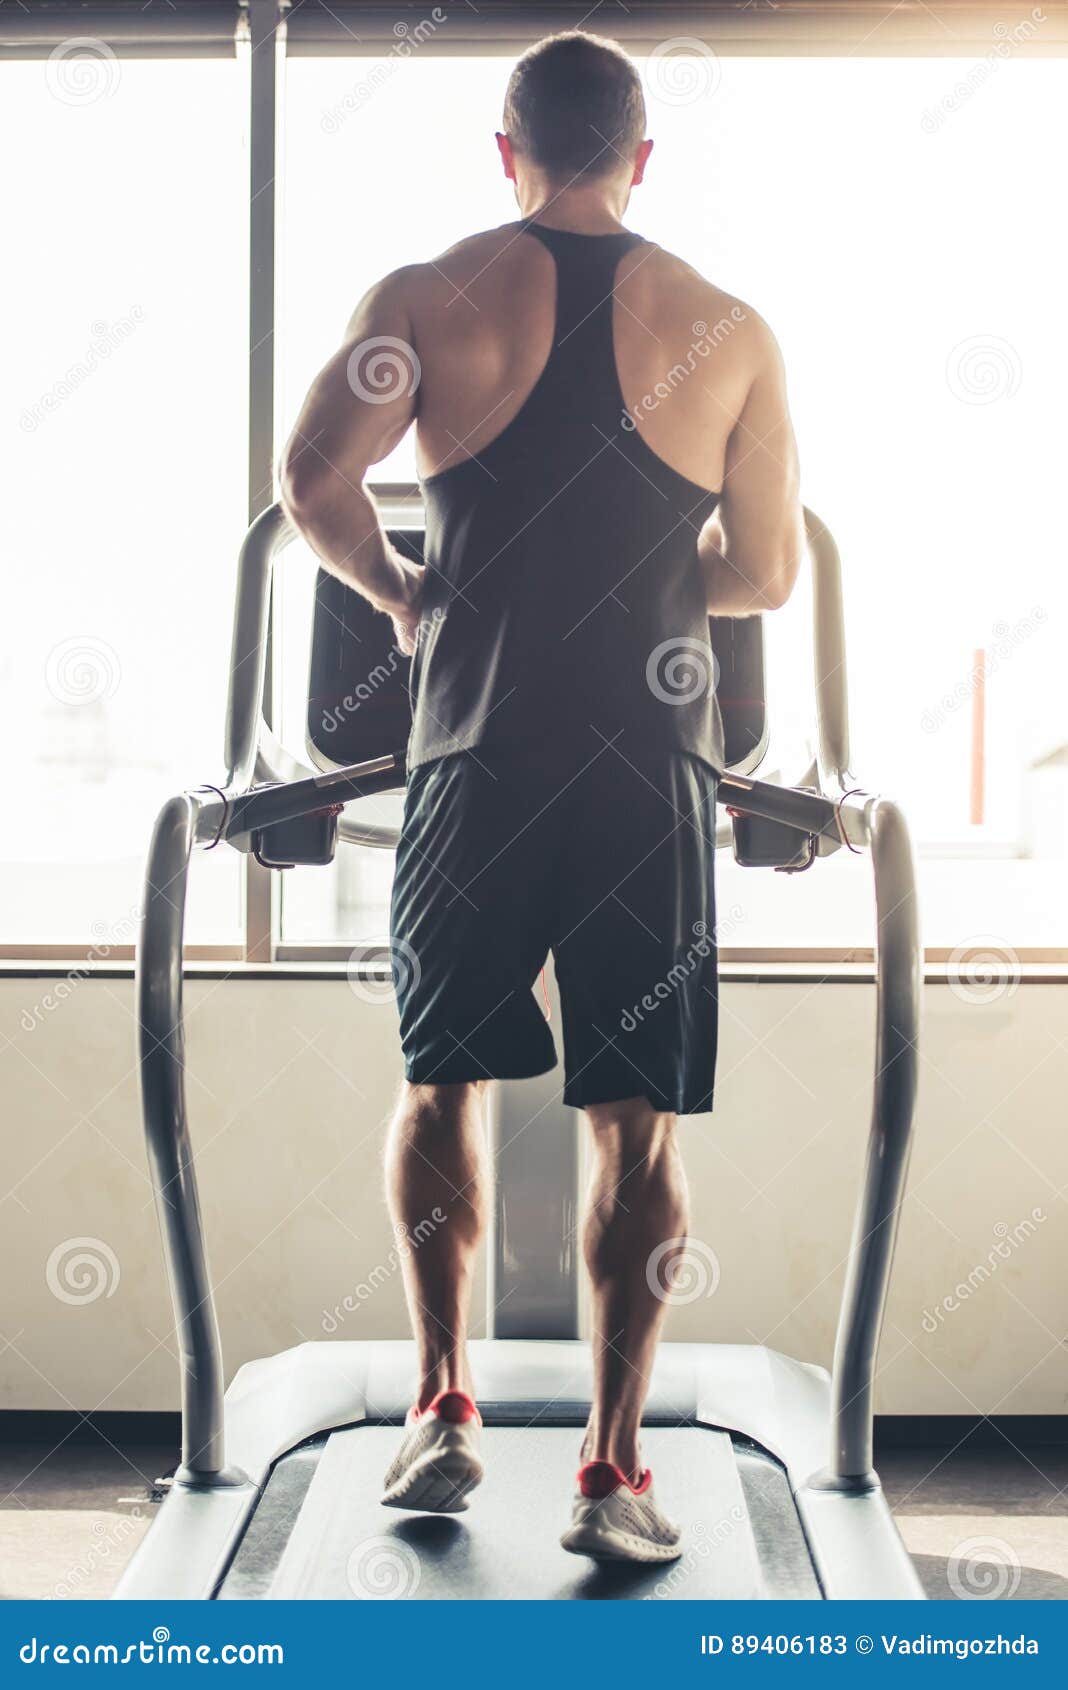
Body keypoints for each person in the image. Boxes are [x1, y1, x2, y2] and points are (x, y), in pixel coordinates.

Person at [281, 29, 802, 1565]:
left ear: (504, 149)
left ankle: (440, 1410)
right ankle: (609, 1471)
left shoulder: (425, 299)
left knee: (441, 1082)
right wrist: (647, 579)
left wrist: (402, 591)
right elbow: (766, 570)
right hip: (645, 776)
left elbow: (313, 477)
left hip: (472, 759)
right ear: (642, 157)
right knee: (633, 1131)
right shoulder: (731, 327)